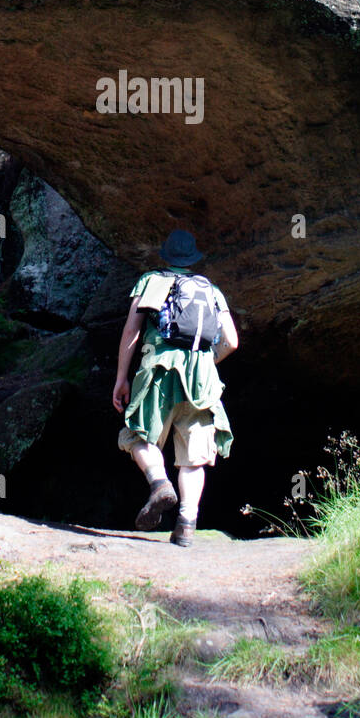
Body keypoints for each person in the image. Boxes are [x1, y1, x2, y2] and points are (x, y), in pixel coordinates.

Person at [113, 229, 238, 547]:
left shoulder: (153, 281)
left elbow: (132, 330)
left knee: (138, 434)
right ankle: (186, 523)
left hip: (159, 369)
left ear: (166, 257)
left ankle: (159, 483)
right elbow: (232, 341)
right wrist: (207, 366)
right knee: (194, 456)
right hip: (203, 377)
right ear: (192, 259)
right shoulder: (212, 290)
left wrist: (122, 378)